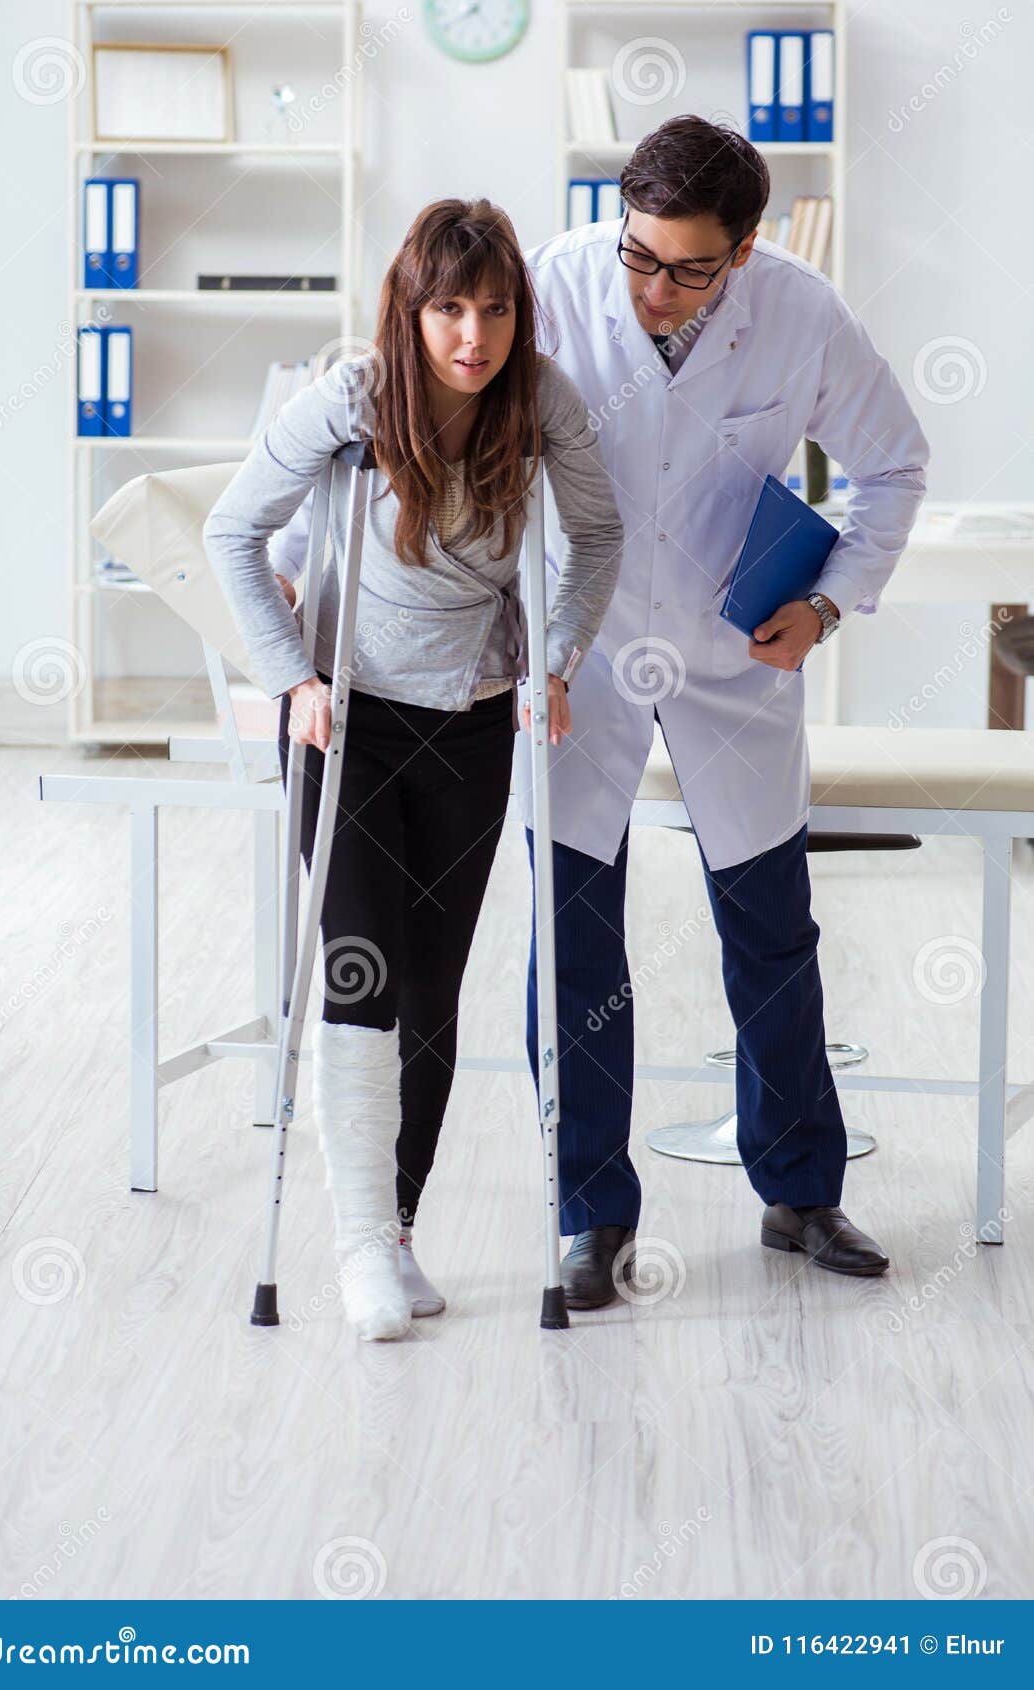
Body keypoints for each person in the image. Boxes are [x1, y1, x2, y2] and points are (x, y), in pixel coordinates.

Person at [510, 116, 930, 1305]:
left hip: (732, 649)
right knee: (573, 937)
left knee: (770, 928)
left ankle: (802, 1192)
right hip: (583, 651)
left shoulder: (802, 312)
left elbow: (894, 464)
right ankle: (590, 1213)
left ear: (744, 250)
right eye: (640, 255)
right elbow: (456, 427)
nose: (654, 289)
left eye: (689, 268)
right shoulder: (553, 285)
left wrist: (827, 604)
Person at [203, 199, 623, 1341]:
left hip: (473, 721)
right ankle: (354, 1245)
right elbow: (232, 533)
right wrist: (291, 678)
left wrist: (556, 659)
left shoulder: (542, 402)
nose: (473, 336)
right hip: (345, 723)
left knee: (434, 988)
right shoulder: (349, 397)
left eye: (494, 310)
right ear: (411, 308)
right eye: (449, 310)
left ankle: (393, 1229)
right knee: (362, 972)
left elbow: (599, 537)